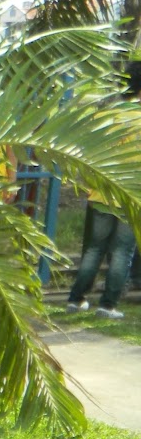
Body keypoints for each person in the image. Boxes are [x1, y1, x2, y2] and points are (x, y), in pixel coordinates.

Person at [65, 63, 141, 320]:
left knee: (93, 249)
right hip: (131, 197)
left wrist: (91, 184)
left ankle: (76, 299)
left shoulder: (106, 116)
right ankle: (108, 306)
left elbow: (89, 155)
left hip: (101, 194)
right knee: (122, 252)